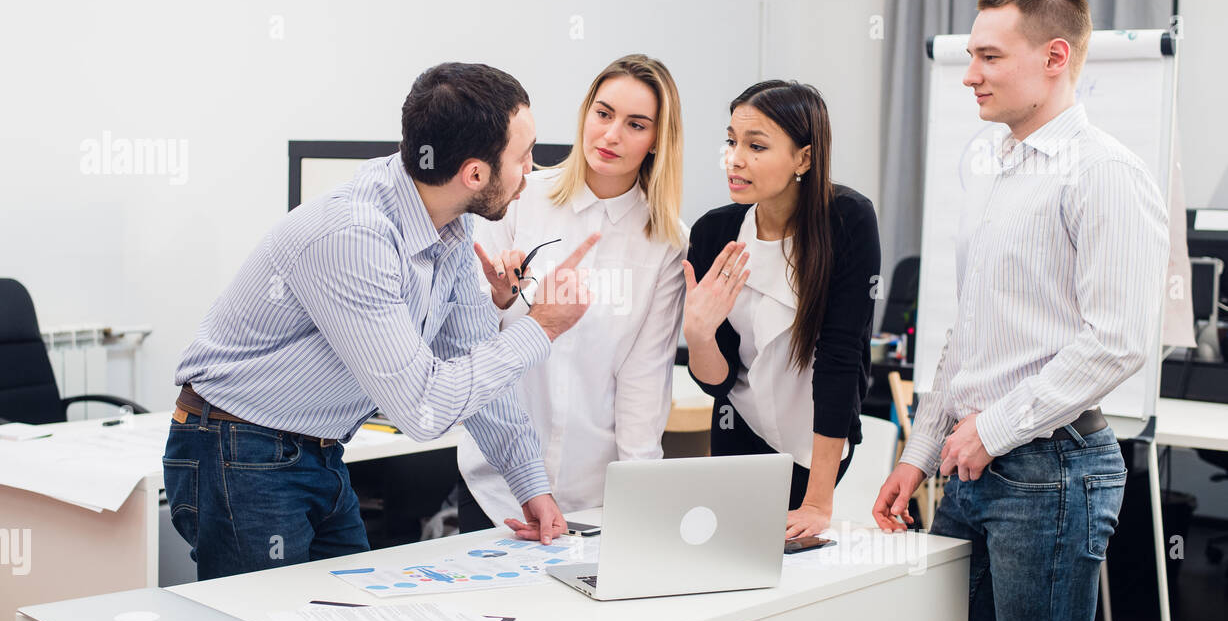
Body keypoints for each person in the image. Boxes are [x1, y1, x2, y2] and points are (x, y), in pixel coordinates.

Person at [165, 62, 599, 580]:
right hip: (236, 448)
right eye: (523, 157)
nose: (531, 171)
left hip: (315, 452)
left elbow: (471, 360)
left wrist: (531, 485)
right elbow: (423, 408)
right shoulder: (355, 235)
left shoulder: (449, 230)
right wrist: (542, 327)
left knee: (350, 614)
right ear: (475, 174)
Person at [873, 0, 1169, 621]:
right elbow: (969, 334)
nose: (969, 74)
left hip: (1054, 472)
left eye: (989, 57)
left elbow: (1118, 342)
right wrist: (918, 450)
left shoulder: (1105, 175)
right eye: (970, 56)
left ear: (1054, 56)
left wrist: (992, 427)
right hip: (974, 463)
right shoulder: (993, 168)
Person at [456, 54, 688, 529]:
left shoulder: (666, 241)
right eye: (603, 114)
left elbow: (644, 381)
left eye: (636, 124)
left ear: (657, 142)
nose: (611, 135)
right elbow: (466, 346)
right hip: (497, 487)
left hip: (595, 499)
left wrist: (638, 507)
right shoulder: (517, 196)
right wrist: (500, 301)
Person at [683, 81, 881, 539]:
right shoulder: (715, 232)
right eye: (730, 141)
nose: (734, 158)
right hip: (740, 431)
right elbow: (719, 380)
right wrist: (698, 334)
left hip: (819, 444)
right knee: (735, 557)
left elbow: (840, 360)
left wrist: (818, 500)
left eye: (756, 146)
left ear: (804, 159)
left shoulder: (847, 220)